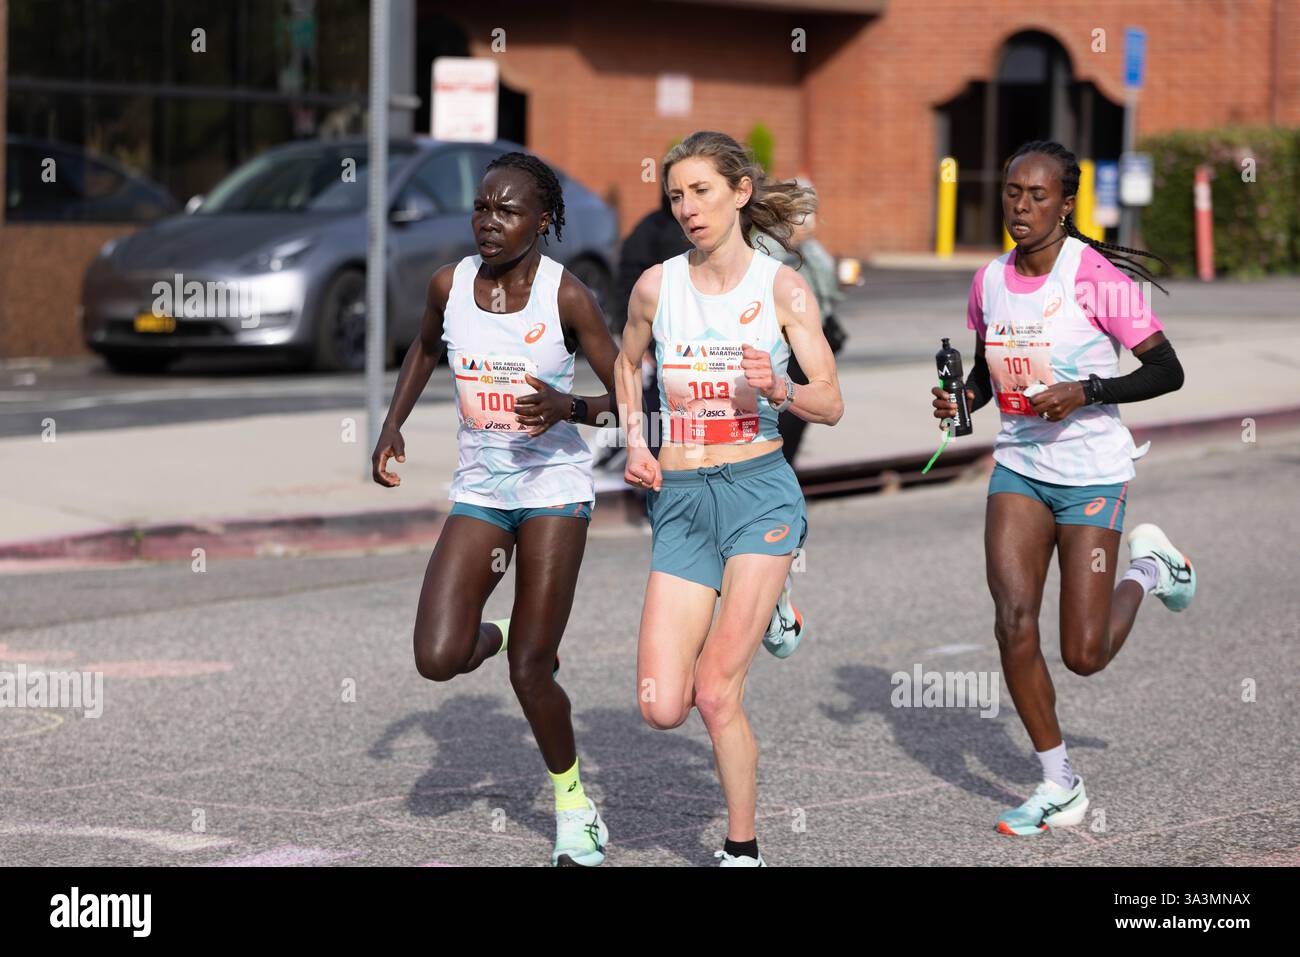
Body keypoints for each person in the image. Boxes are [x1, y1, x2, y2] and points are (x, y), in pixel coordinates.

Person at [931, 140, 1195, 837]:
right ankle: (1058, 783)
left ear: (1065, 203)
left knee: (1083, 653)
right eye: (1013, 193)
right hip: (1019, 467)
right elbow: (992, 376)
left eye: (1037, 195)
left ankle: (1150, 567)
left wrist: (1088, 391)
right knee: (1012, 622)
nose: (1021, 206)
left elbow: (1167, 370)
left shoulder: (1094, 276)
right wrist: (962, 400)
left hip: (1092, 476)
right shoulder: (987, 281)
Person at [372, 152, 620, 866]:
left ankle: (574, 808)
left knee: (530, 671)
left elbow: (635, 396)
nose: (488, 221)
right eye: (482, 207)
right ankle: (509, 629)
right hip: (481, 491)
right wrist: (394, 424)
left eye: (507, 210)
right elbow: (424, 349)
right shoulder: (449, 283)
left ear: (543, 221)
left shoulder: (566, 296)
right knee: (437, 656)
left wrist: (571, 406)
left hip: (553, 494)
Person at [616, 131, 844, 866]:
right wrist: (637, 442)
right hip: (681, 499)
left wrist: (782, 388)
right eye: (676, 195)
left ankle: (741, 848)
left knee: (716, 692)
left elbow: (832, 402)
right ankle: (772, 602)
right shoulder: (656, 285)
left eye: (702, 191)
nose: (687, 207)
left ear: (741, 192)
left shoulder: (781, 288)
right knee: (661, 704)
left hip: (757, 495)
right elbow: (626, 364)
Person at [753, 182, 848, 465]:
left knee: (806, 408)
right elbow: (763, 269)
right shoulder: (764, 241)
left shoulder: (811, 246)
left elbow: (829, 285)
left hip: (814, 331)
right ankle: (780, 464)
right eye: (799, 213)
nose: (805, 221)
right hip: (785, 339)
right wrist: (790, 243)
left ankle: (788, 466)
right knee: (786, 417)